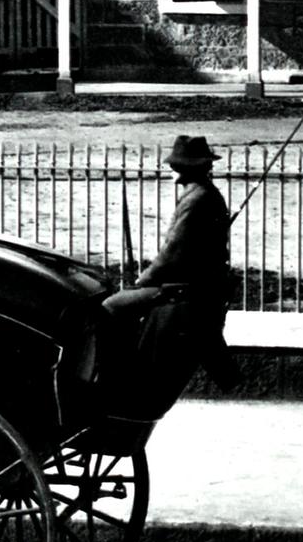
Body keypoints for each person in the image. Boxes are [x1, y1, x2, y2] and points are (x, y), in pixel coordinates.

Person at [95, 131, 234, 416]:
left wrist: (141, 282)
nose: (171, 169)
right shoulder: (203, 195)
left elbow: (172, 255)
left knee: (110, 308)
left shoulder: (197, 200)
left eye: (176, 164)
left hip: (183, 289)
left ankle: (109, 384)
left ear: (183, 168)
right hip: (190, 284)